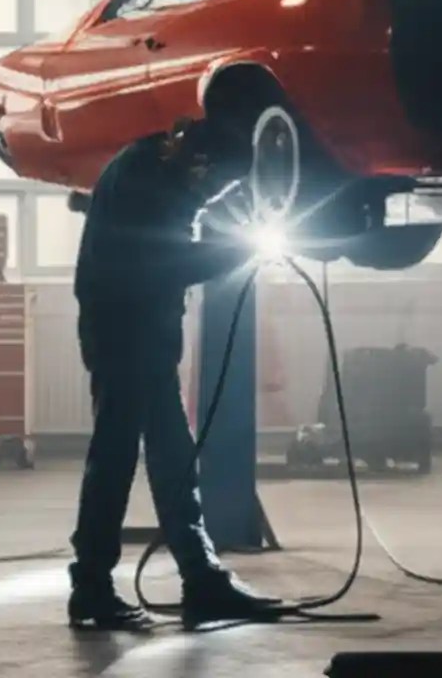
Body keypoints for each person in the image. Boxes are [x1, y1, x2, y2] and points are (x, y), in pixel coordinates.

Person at [67, 117, 280, 631]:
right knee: (117, 456)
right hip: (122, 333)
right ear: (201, 163)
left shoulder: (159, 168)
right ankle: (92, 585)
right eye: (217, 185)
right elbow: (163, 263)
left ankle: (200, 579)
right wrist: (239, 251)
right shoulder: (146, 176)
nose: (213, 196)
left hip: (143, 331)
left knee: (172, 456)